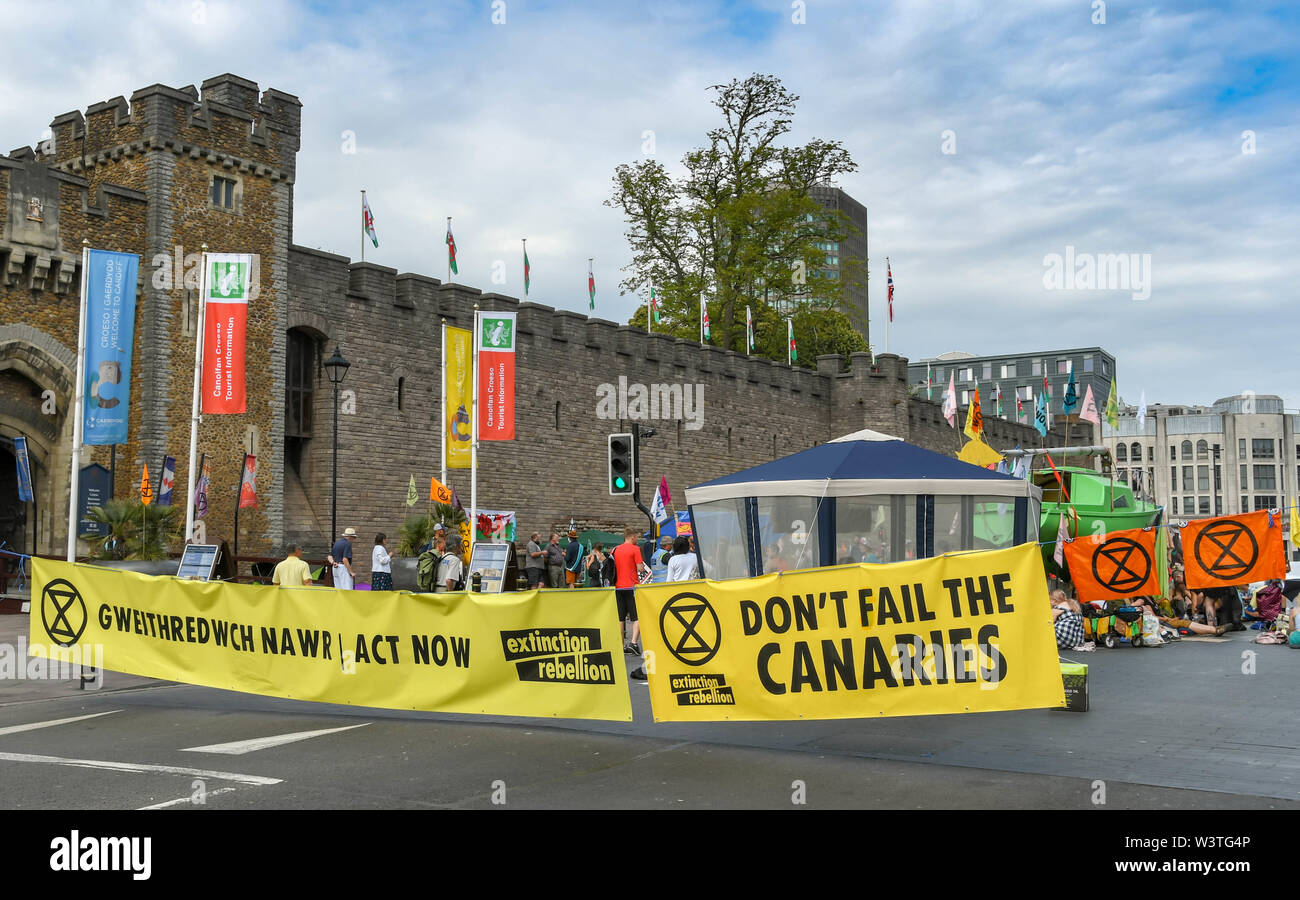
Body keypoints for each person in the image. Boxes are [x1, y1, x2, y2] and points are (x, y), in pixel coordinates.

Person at [613, 526, 650, 663]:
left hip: (618, 587)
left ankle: (621, 645)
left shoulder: (615, 549)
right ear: (632, 537)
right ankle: (634, 643)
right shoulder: (635, 549)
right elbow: (640, 567)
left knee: (620, 618)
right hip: (632, 586)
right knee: (637, 616)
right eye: (636, 537)